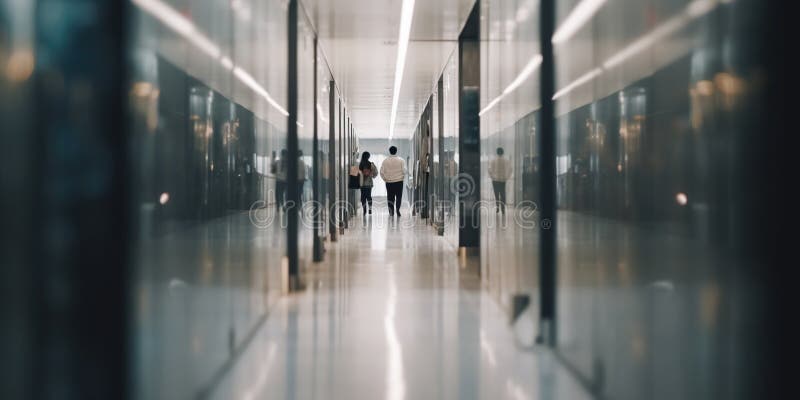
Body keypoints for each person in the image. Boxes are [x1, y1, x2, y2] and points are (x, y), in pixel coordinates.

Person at [380, 145, 406, 217]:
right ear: (396, 151)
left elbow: (381, 172)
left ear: (389, 151)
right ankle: (397, 210)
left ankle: (391, 212)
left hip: (389, 182)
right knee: (398, 197)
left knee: (390, 197)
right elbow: (404, 171)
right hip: (399, 182)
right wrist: (402, 177)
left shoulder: (385, 161)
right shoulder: (401, 160)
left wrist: (385, 179)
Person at [488, 147, 512, 214]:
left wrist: (492, 177)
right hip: (502, 180)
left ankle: (497, 207)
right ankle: (503, 209)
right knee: (503, 194)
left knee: (496, 194)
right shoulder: (506, 160)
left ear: (497, 152)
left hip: (495, 180)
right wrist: (506, 177)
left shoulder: (493, 160)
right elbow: (510, 169)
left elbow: (489, 170)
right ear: (503, 152)